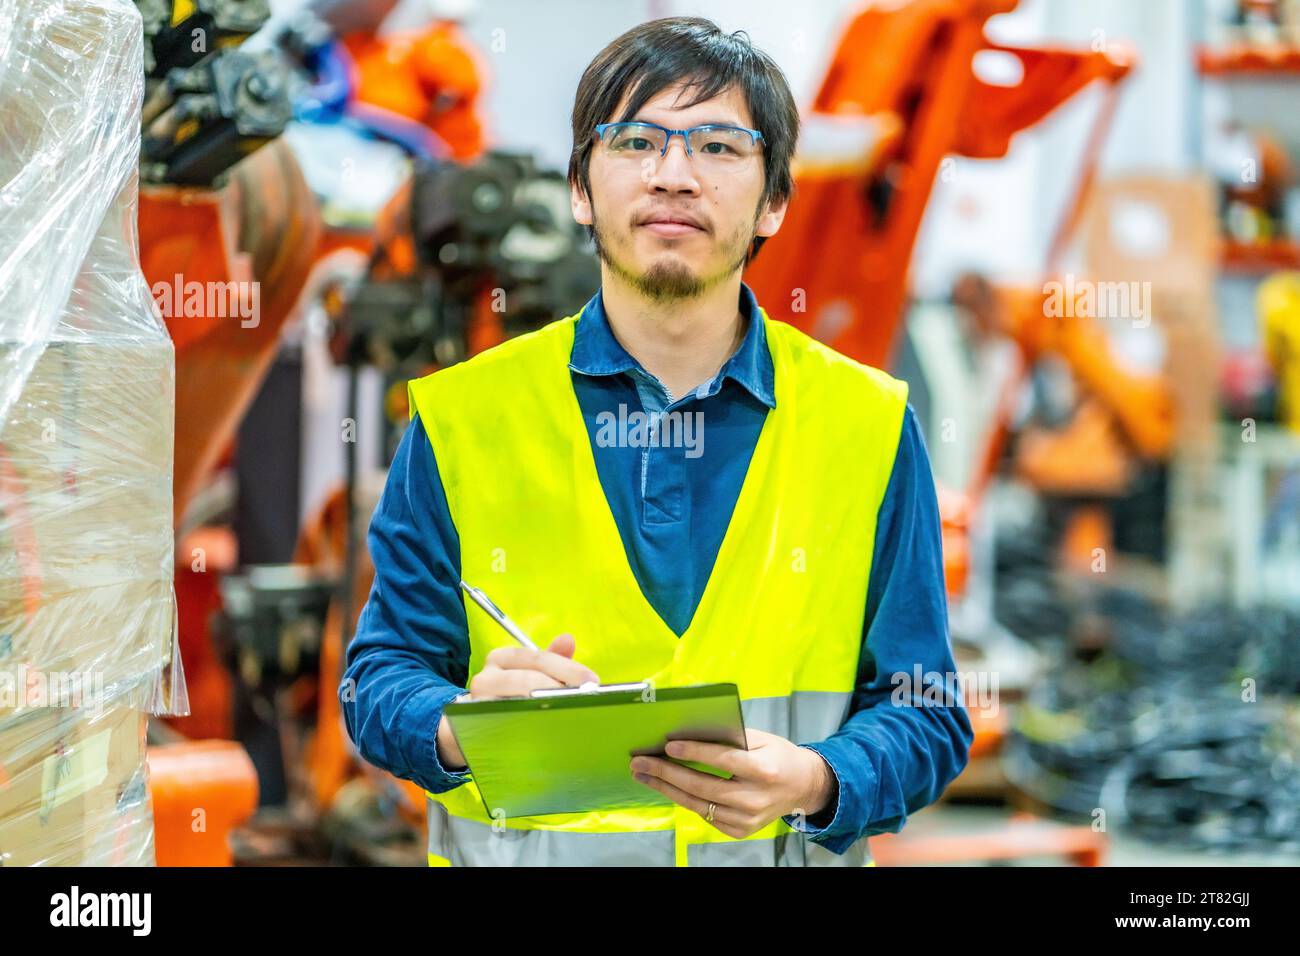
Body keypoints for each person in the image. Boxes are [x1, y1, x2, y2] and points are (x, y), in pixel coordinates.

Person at [341, 15, 972, 867]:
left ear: (774, 201)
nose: (673, 175)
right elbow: (376, 678)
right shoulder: (462, 419)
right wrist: (456, 725)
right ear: (580, 189)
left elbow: (926, 707)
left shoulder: (865, 422)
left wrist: (823, 780)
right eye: (636, 141)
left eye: (718, 148)